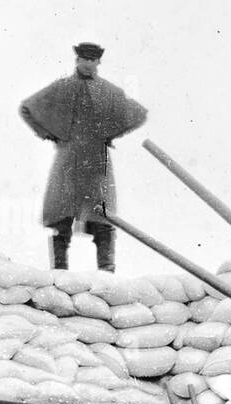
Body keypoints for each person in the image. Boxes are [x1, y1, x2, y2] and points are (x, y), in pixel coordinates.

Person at [20, 42, 148, 272]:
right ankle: (59, 272)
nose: (88, 64)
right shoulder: (62, 87)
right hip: (68, 159)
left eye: (92, 60)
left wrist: (110, 132)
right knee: (61, 215)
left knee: (102, 216)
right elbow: (27, 108)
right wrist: (50, 135)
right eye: (84, 59)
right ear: (77, 60)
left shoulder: (108, 91)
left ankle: (107, 272)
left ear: (98, 62)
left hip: (96, 159)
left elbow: (138, 113)